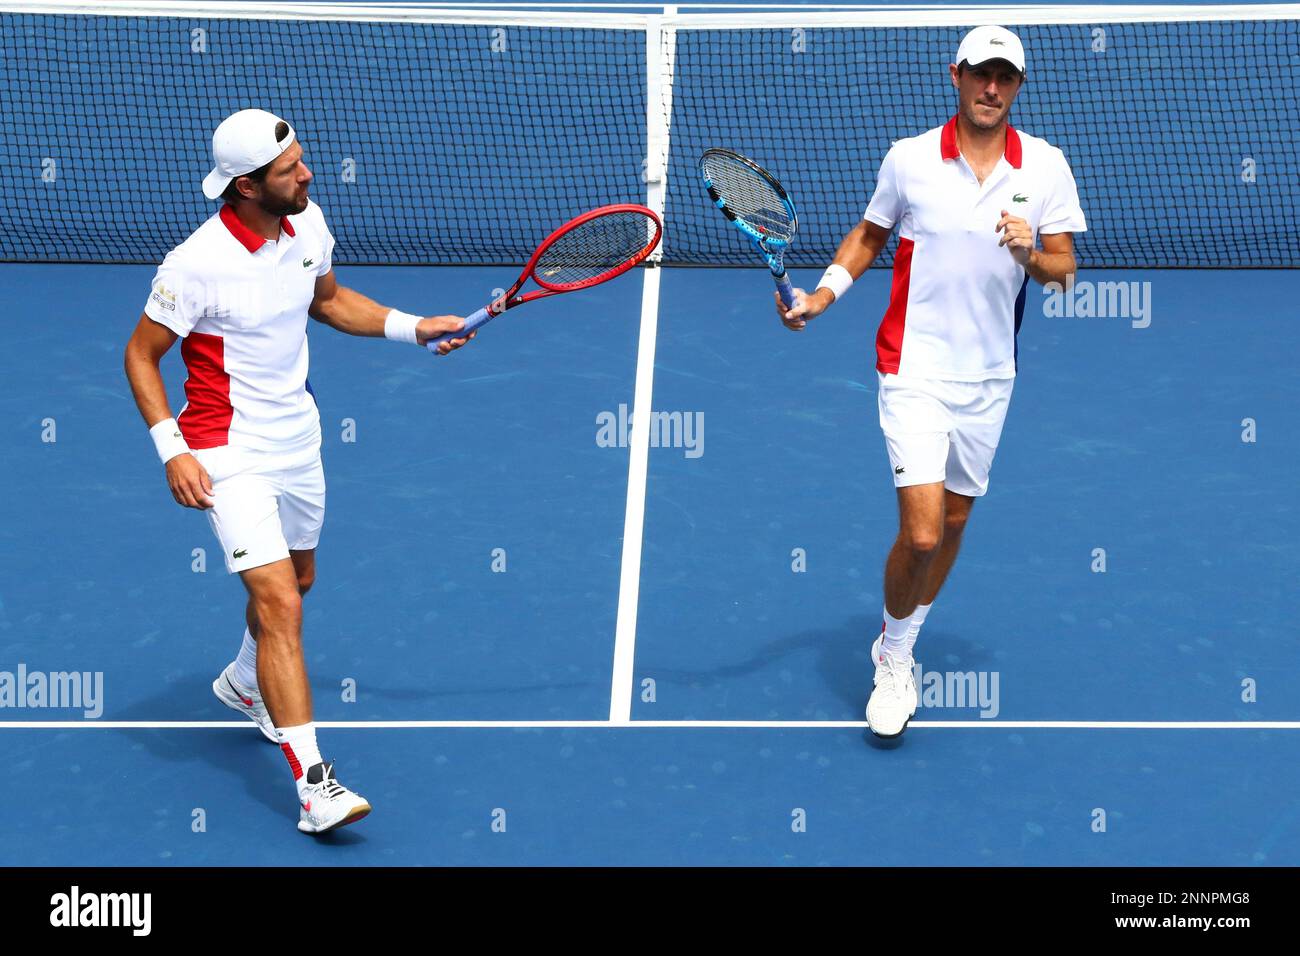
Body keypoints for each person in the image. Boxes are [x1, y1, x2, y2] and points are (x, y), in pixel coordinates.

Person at [123, 109, 474, 831]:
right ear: (247, 187)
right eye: (289, 171)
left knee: (302, 580)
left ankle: (246, 683)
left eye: (302, 161)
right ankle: (316, 787)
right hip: (225, 449)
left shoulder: (306, 224)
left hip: (297, 437)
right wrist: (173, 450)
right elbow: (140, 355)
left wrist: (414, 327)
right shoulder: (194, 266)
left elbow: (329, 300)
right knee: (281, 602)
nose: (307, 174)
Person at [777, 27, 1087, 738]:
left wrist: (1031, 251)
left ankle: (902, 642)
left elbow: (1066, 269)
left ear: (1018, 87)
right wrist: (821, 298)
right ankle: (893, 655)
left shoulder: (1044, 167)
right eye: (981, 74)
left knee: (954, 523)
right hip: (911, 367)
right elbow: (869, 235)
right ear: (956, 75)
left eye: (1005, 77)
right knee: (920, 536)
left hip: (990, 377)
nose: (991, 88)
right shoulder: (910, 159)